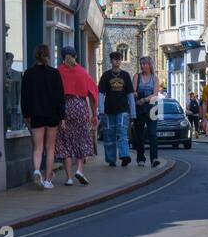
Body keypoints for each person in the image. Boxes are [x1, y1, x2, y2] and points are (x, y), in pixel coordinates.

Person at [21, 43, 63, 190]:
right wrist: (61, 116)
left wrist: (26, 114)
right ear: (48, 56)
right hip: (52, 115)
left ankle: (37, 170)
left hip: (36, 114)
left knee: (37, 147)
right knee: (50, 148)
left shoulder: (28, 74)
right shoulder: (54, 73)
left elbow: (24, 96)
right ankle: (47, 180)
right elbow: (60, 97)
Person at [55, 47, 98, 185]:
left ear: (62, 57)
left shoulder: (58, 71)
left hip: (64, 107)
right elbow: (93, 94)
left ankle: (68, 178)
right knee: (81, 139)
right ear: (76, 56)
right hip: (80, 106)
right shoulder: (82, 72)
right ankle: (79, 169)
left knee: (65, 142)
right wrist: (94, 113)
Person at [97, 51, 135, 167]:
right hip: (108, 110)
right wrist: (101, 109)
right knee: (109, 135)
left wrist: (133, 113)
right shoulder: (106, 76)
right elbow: (101, 94)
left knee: (122, 133)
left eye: (119, 59)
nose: (117, 61)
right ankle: (111, 159)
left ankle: (124, 156)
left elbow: (130, 95)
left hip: (123, 109)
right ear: (111, 61)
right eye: (115, 59)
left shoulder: (125, 75)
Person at [133, 56, 163, 168]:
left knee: (153, 134)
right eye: (141, 64)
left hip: (152, 108)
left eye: (145, 64)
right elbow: (133, 91)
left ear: (150, 65)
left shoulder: (155, 79)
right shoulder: (137, 76)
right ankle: (140, 158)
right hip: (139, 109)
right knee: (139, 134)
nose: (142, 66)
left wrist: (143, 99)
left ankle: (154, 158)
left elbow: (155, 95)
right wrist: (136, 96)